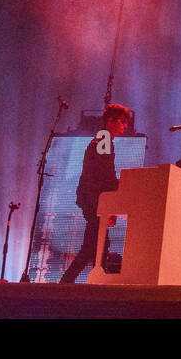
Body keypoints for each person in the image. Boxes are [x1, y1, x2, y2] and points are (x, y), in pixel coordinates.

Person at [60, 104, 132, 284]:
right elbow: (100, 177)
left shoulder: (103, 140)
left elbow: (102, 175)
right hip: (94, 200)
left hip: (94, 200)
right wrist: (104, 206)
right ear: (111, 121)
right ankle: (91, 285)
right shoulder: (104, 139)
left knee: (93, 246)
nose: (125, 126)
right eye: (122, 122)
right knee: (97, 245)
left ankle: (69, 283)